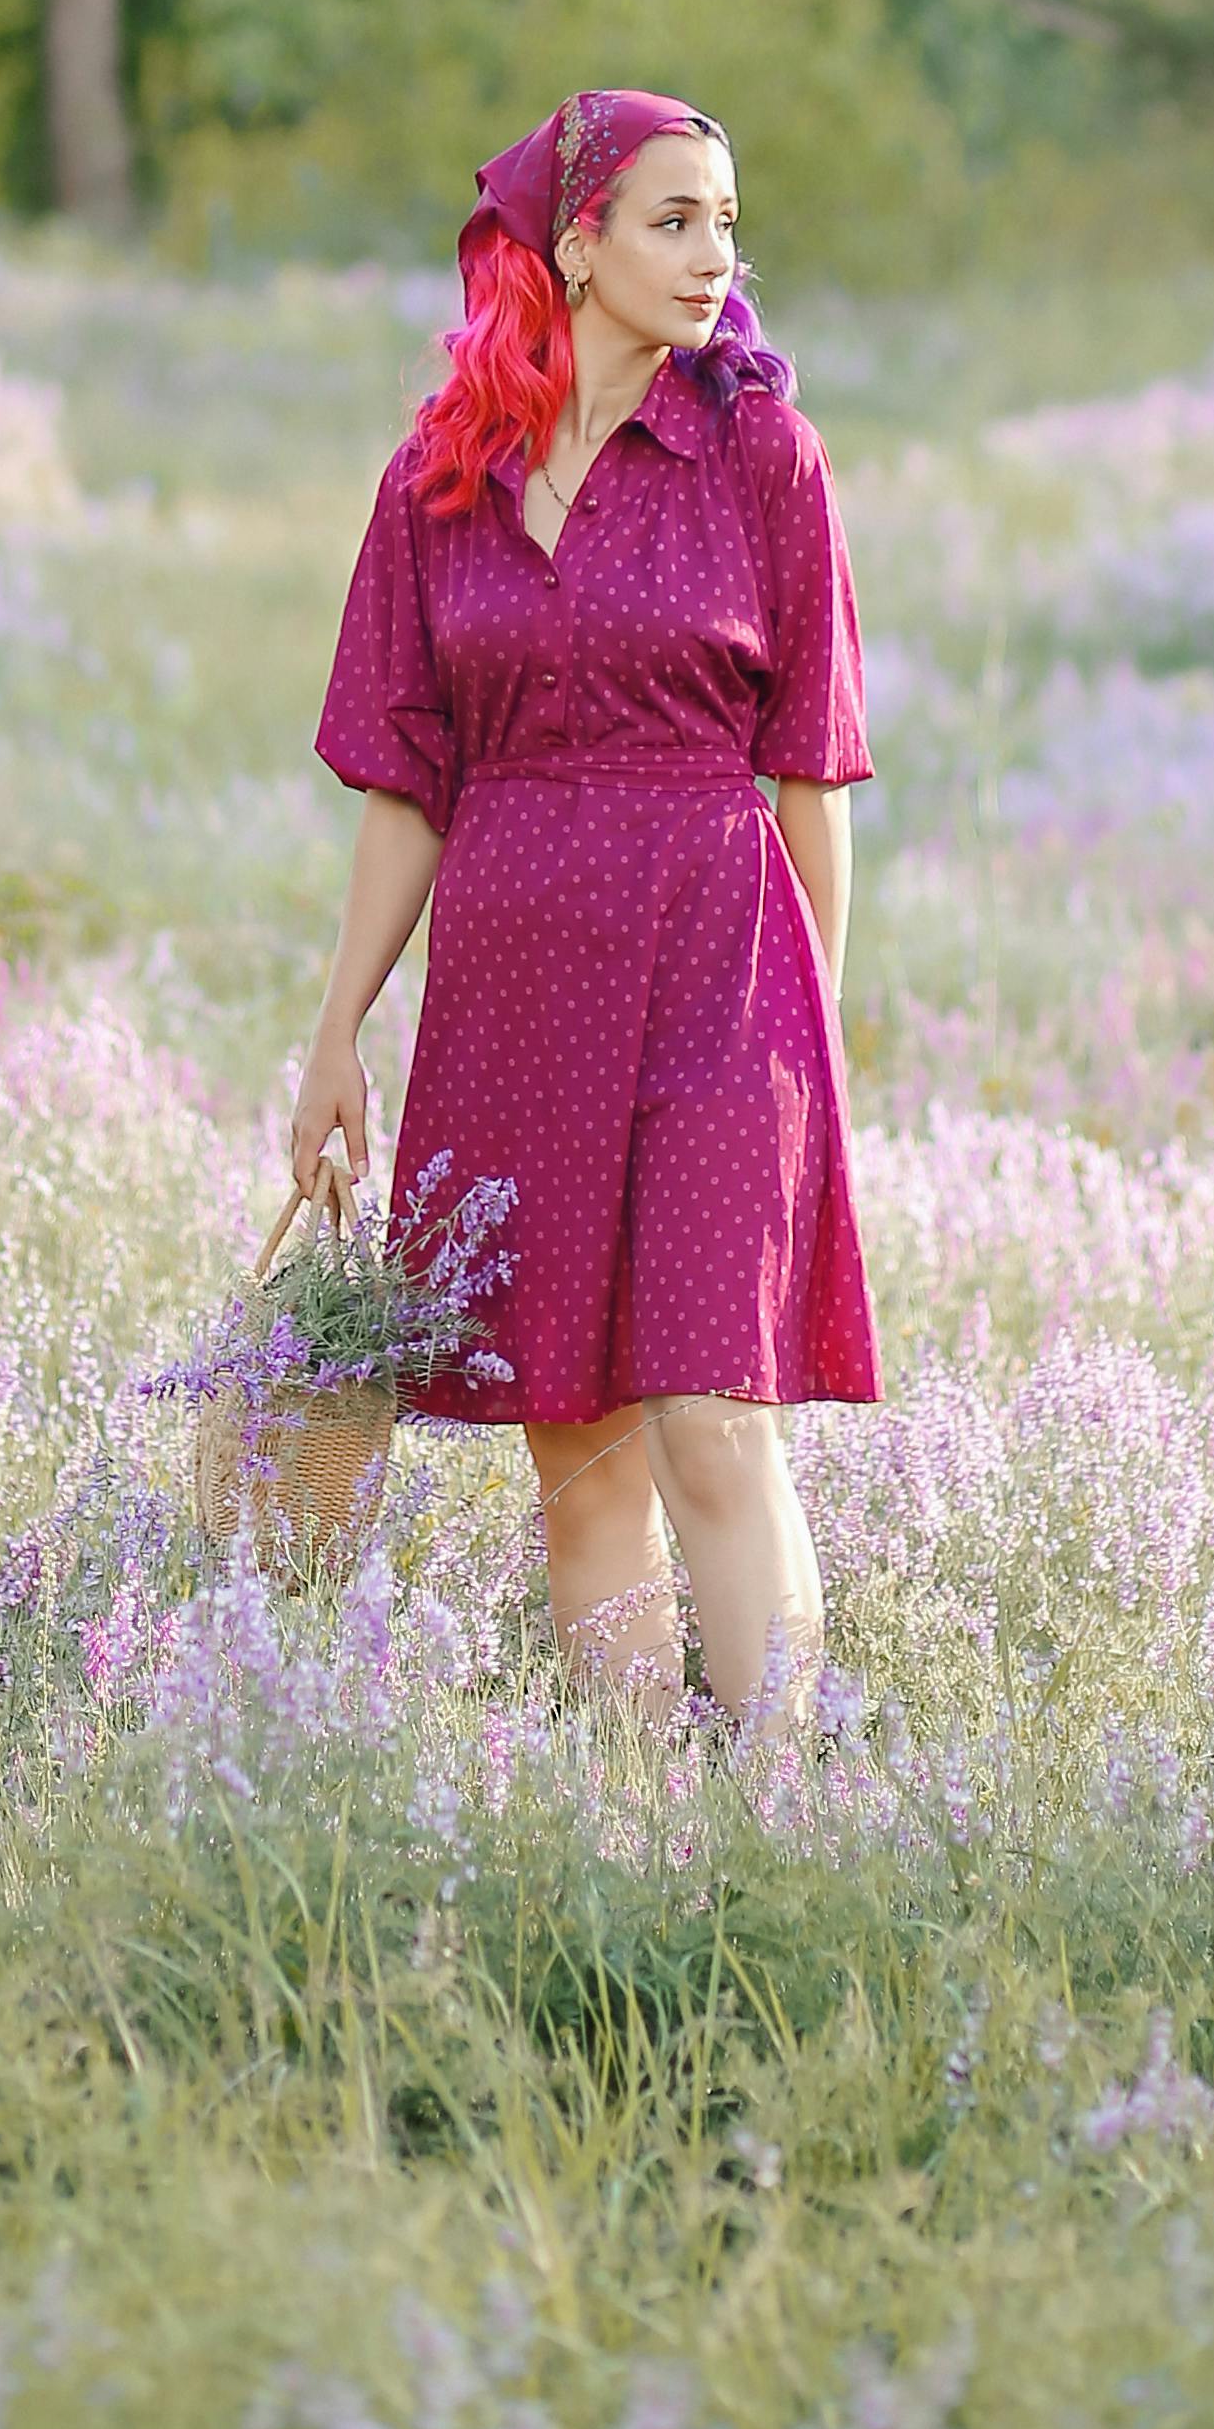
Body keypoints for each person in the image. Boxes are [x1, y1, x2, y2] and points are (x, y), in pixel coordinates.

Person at [291, 85, 877, 1719]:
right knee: (579, 1442)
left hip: (721, 962)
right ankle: (636, 1828)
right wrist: (337, 1033)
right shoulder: (440, 479)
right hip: (513, 979)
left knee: (712, 1417)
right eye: (675, 220)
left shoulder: (764, 454)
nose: (715, 258)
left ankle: (777, 1817)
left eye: (727, 223)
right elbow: (408, 786)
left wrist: (808, 1032)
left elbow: (813, 776)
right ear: (577, 241)